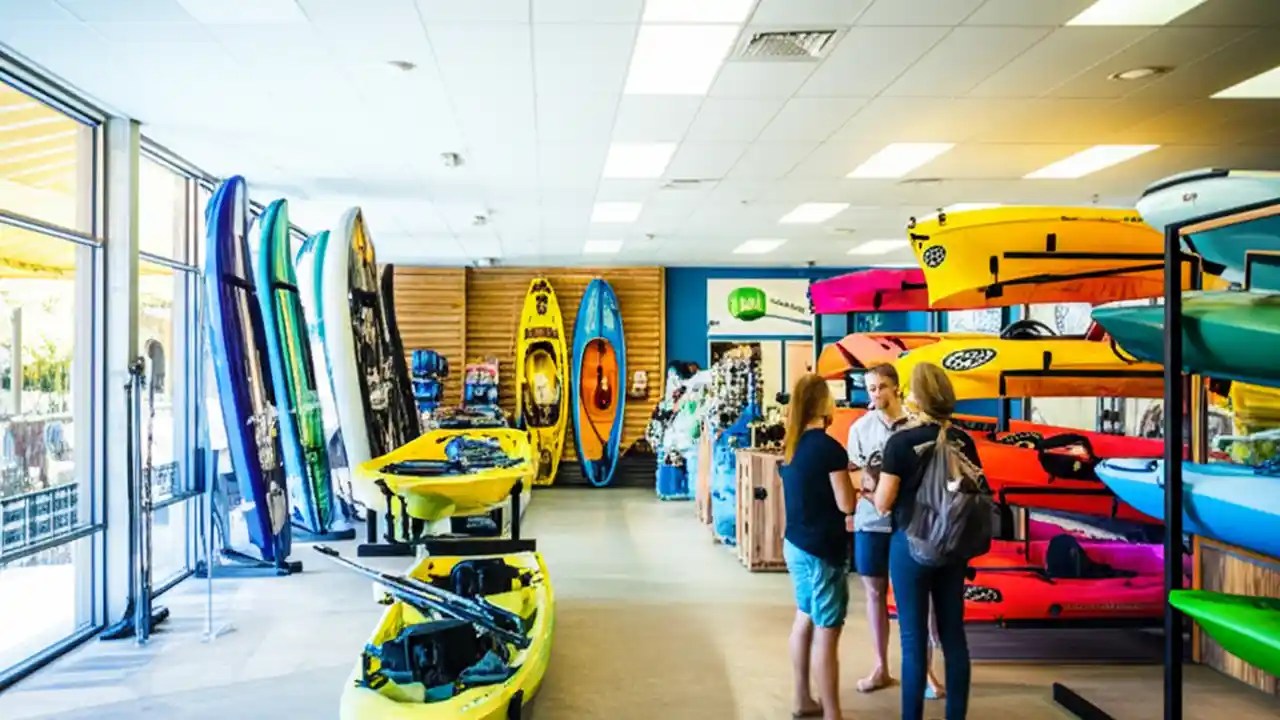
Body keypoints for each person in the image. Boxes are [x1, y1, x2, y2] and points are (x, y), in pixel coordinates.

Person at [872, 362, 984, 720]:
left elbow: (884, 502)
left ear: (917, 397)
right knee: (953, 636)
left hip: (910, 544)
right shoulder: (963, 440)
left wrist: (871, 488)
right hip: (954, 544)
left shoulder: (901, 442)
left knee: (913, 640)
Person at [846, 365, 945, 698]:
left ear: (897, 388)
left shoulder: (919, 428)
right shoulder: (859, 429)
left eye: (882, 387)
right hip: (871, 521)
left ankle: (925, 669)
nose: (876, 394)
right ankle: (880, 666)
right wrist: (867, 486)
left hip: (912, 521)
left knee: (919, 596)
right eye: (871, 388)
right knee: (874, 592)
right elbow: (852, 474)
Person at [780, 374, 856, 720]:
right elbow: (846, 505)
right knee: (828, 630)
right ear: (820, 403)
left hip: (795, 543)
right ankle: (833, 713)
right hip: (823, 550)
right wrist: (861, 488)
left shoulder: (792, 446)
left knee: (805, 617)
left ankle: (802, 698)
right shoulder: (829, 448)